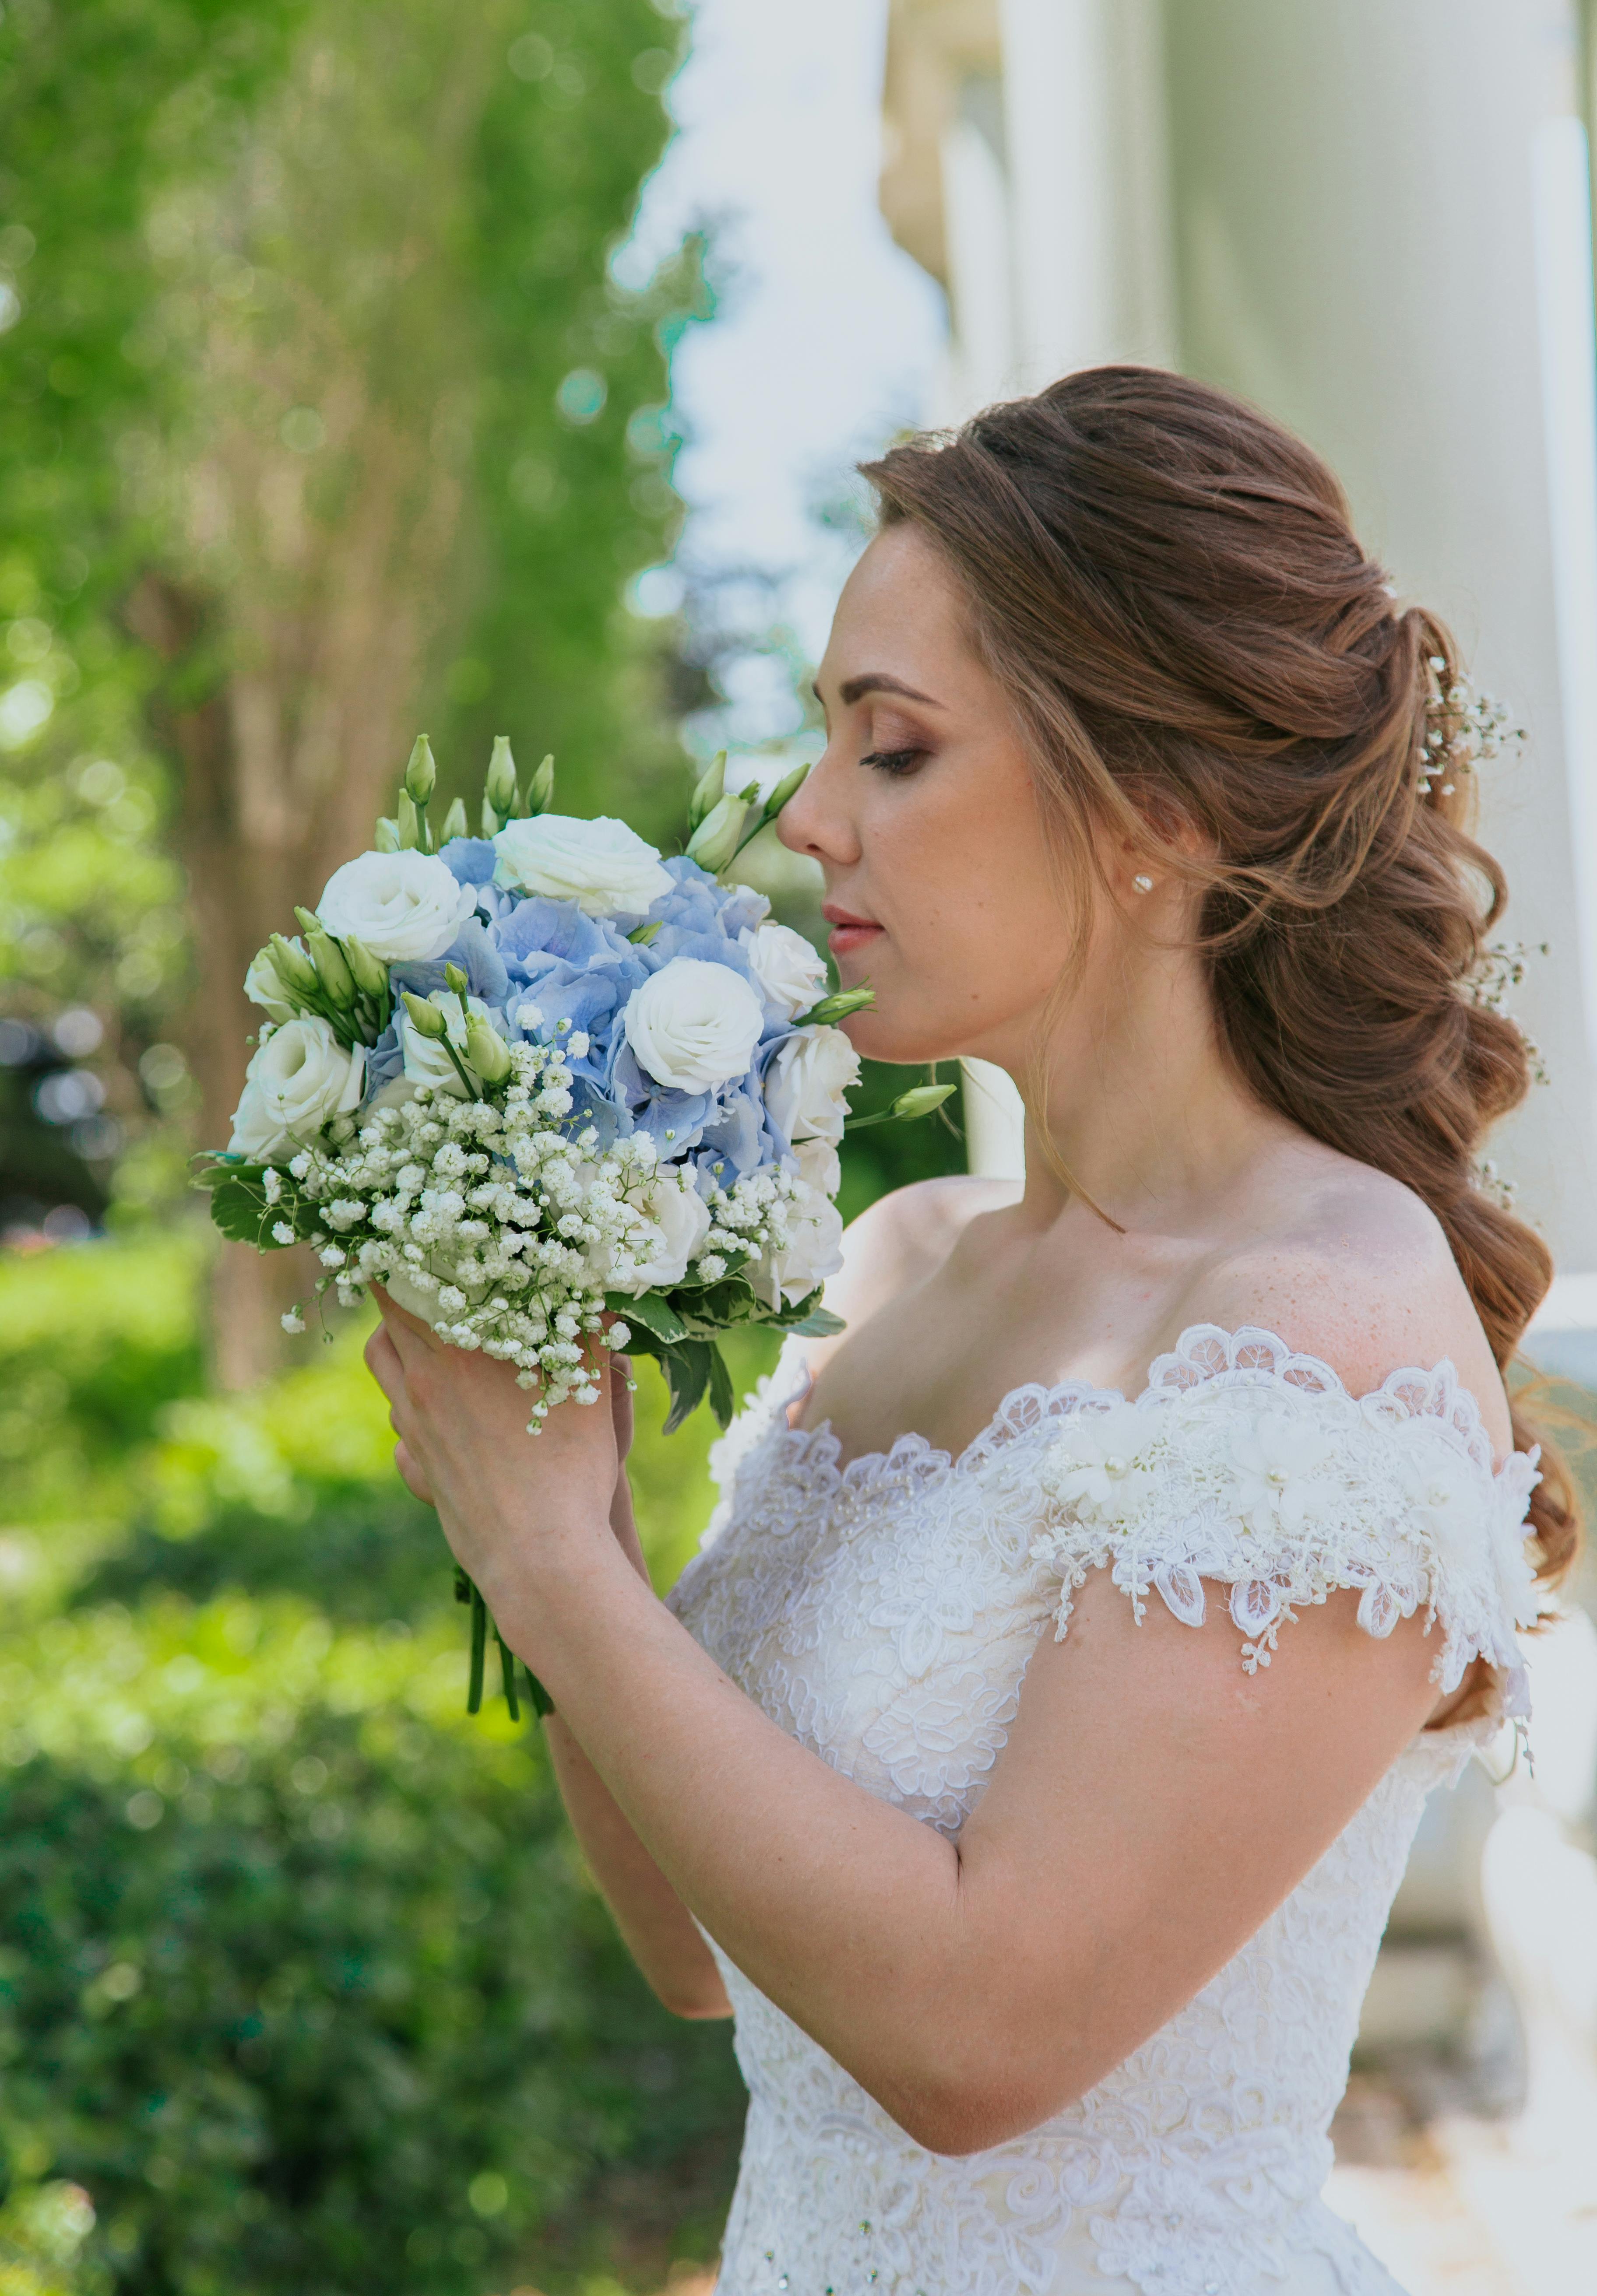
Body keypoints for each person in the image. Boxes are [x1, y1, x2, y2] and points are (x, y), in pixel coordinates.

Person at [365, 367, 1576, 2296]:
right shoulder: (898, 1267)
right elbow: (695, 1949)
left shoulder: (1322, 1323)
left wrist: (547, 1568)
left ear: (1153, 807)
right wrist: (558, 1496)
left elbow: (978, 2044)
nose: (807, 816)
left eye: (896, 749)